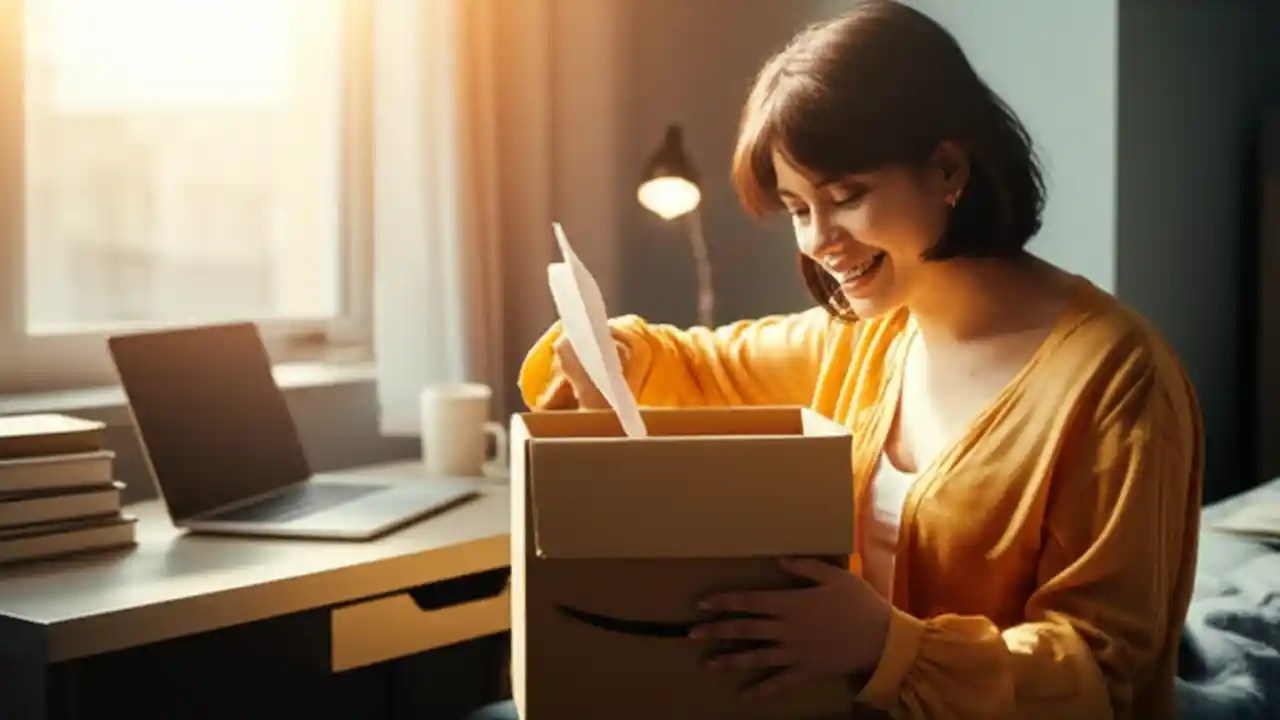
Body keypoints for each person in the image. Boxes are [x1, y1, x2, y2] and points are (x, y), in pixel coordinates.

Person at [500, 1, 1203, 718]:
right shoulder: (866, 337)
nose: (818, 239)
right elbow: (696, 365)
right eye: (799, 209)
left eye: (846, 197)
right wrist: (607, 351)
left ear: (948, 168)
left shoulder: (1117, 378)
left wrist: (887, 646)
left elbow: (1100, 668)